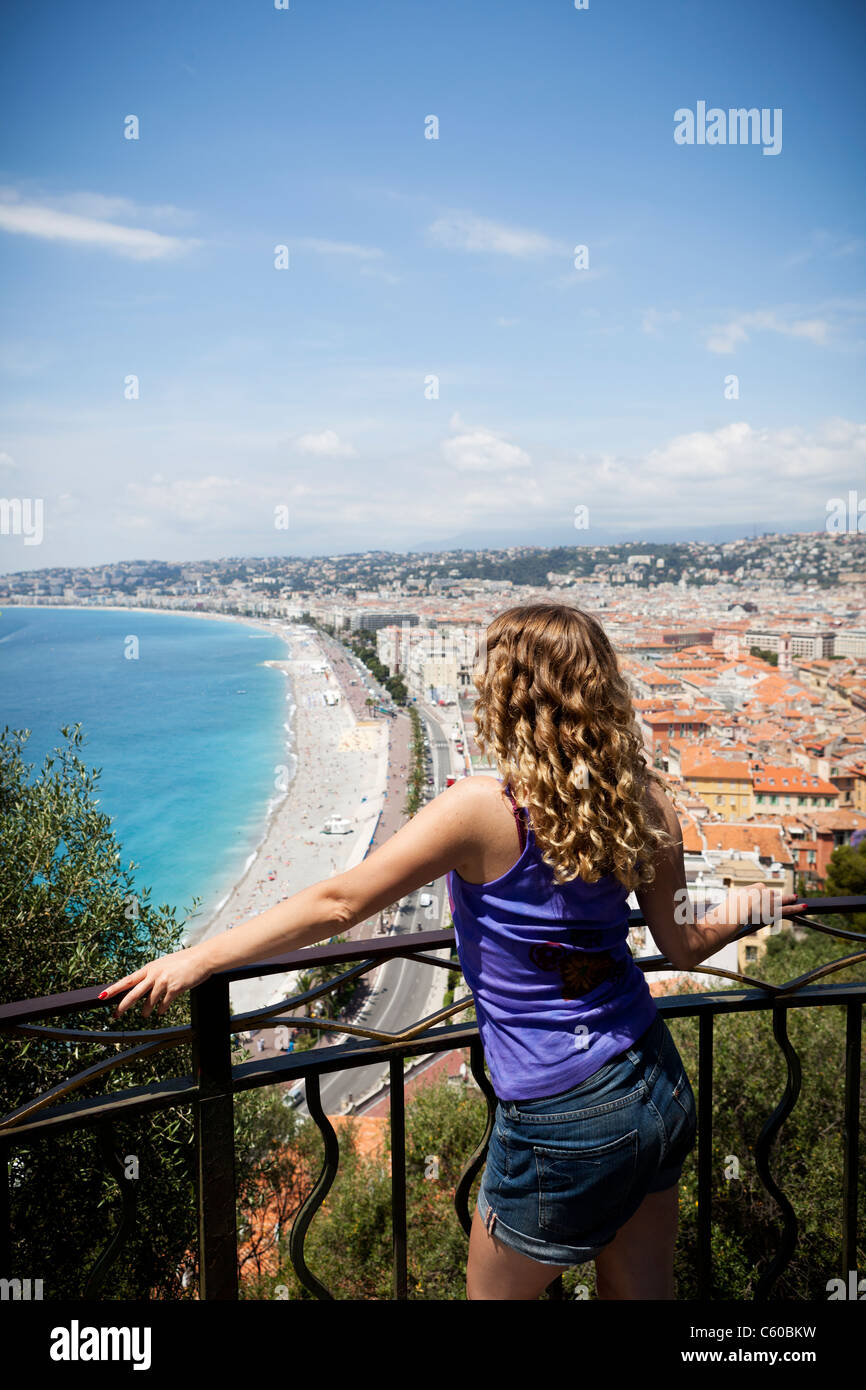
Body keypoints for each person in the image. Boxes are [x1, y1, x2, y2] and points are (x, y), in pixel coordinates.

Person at [99, 602, 806, 1301]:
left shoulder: (484, 809)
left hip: (563, 1112)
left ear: (508, 696)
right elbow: (683, 945)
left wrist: (199, 958)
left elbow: (339, 903)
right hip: (654, 1077)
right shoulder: (645, 799)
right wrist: (758, 902)